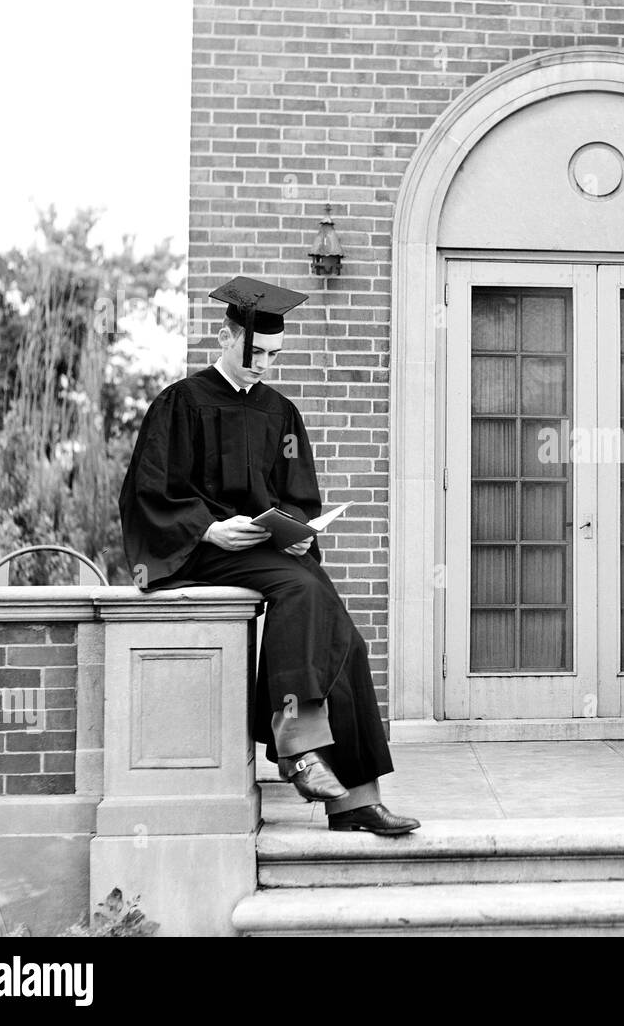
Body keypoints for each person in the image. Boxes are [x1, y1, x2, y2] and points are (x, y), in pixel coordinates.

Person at [118, 276, 419, 836]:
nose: (265, 365)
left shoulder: (280, 413)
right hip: (205, 551)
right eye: (256, 353)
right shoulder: (180, 404)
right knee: (304, 590)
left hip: (265, 549)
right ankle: (297, 749)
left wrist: (299, 532)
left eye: (274, 355)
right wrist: (208, 530)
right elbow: (146, 492)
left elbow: (298, 497)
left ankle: (353, 799)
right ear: (226, 336)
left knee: (346, 636)